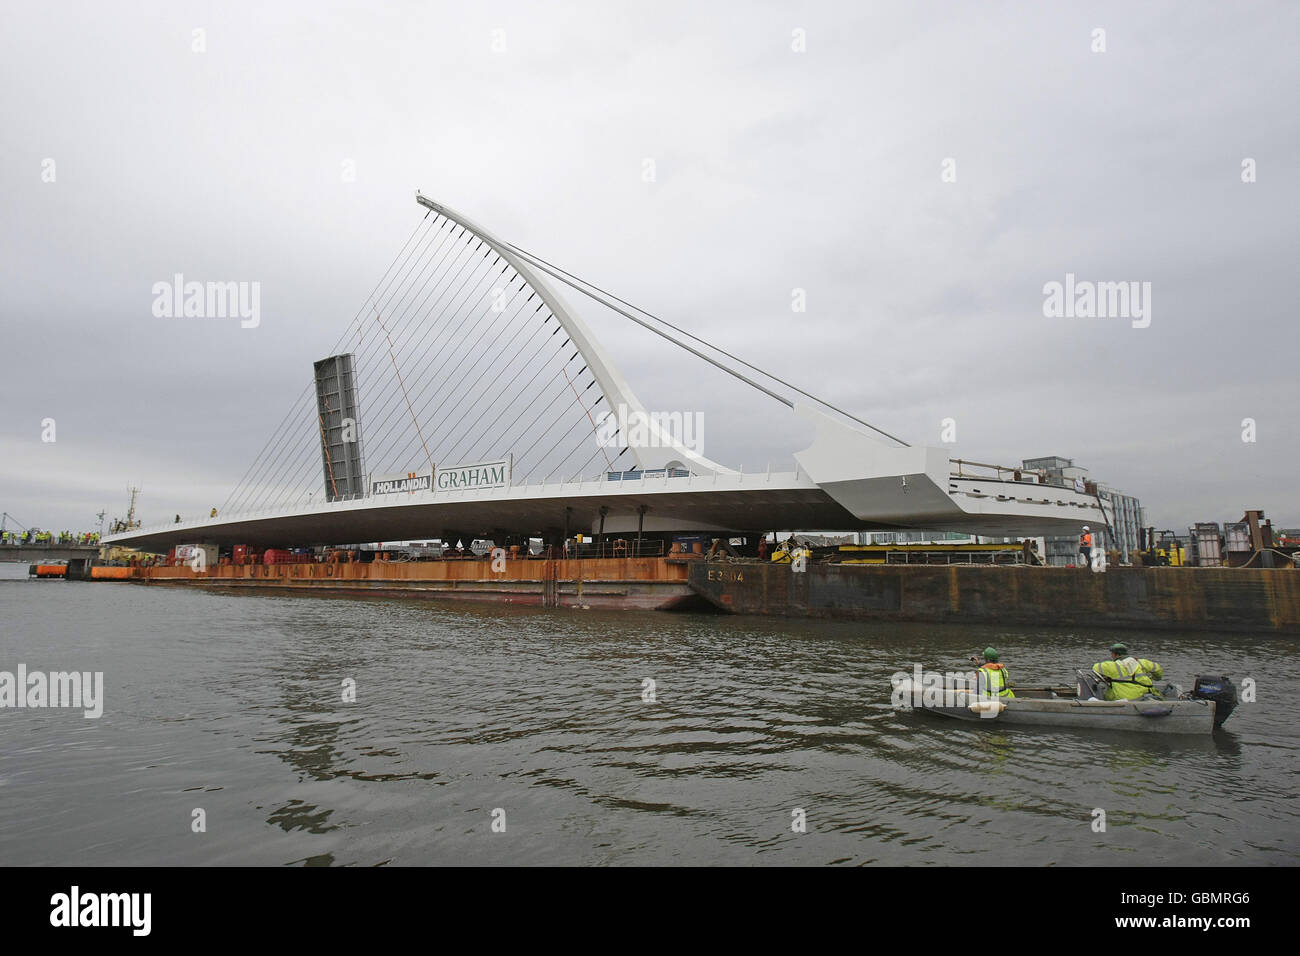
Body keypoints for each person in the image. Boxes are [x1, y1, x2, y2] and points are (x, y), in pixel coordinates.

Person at [1092, 643, 1164, 700]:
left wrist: (1107, 677)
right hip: (1145, 694)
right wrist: (1154, 678)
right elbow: (1158, 669)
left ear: (1115, 654)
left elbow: (1095, 668)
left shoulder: (1113, 665)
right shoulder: (1140, 662)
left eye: (1112, 654)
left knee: (1108, 694)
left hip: (1125, 698)